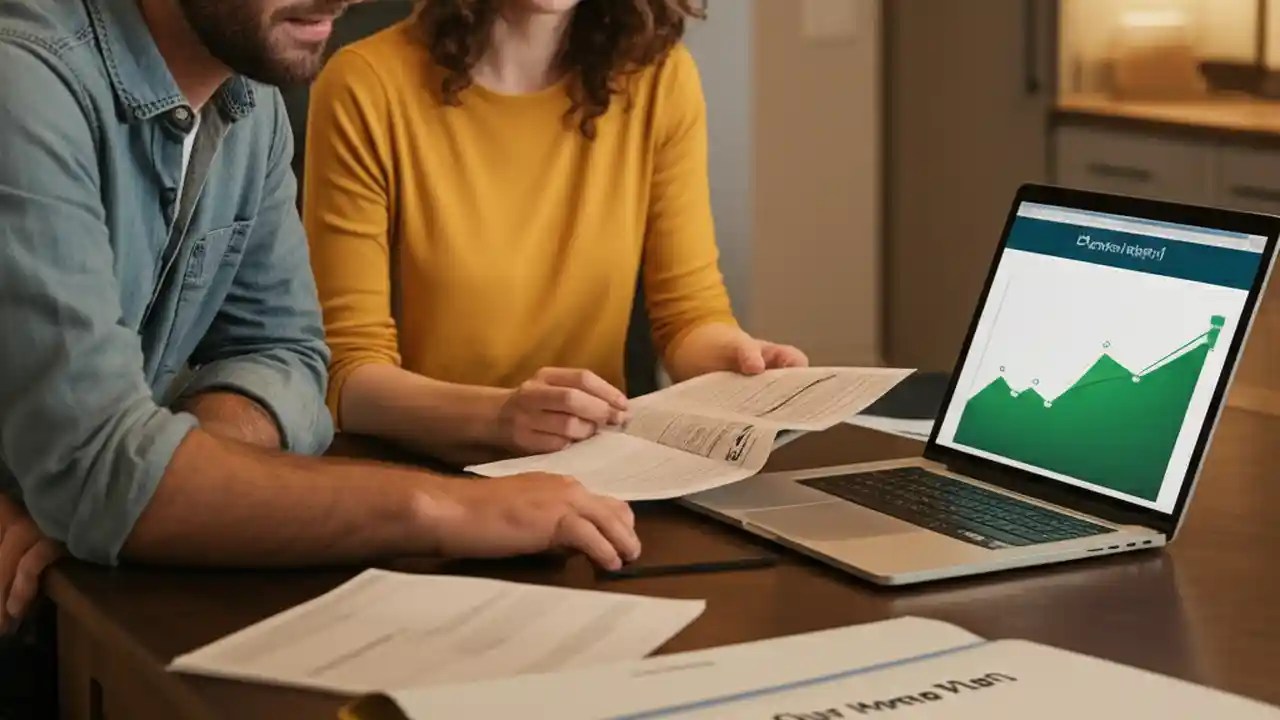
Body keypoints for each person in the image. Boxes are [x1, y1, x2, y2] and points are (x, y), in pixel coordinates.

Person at [0, 0, 642, 703]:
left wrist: (159, 482)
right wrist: (446, 512)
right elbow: (103, 471)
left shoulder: (250, 102)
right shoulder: (25, 79)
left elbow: (290, 359)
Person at [303, 0, 809, 466]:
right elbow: (348, 376)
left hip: (599, 473)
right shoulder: (364, 85)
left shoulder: (660, 80)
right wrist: (498, 417)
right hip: (419, 478)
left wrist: (736, 362)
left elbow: (689, 315)